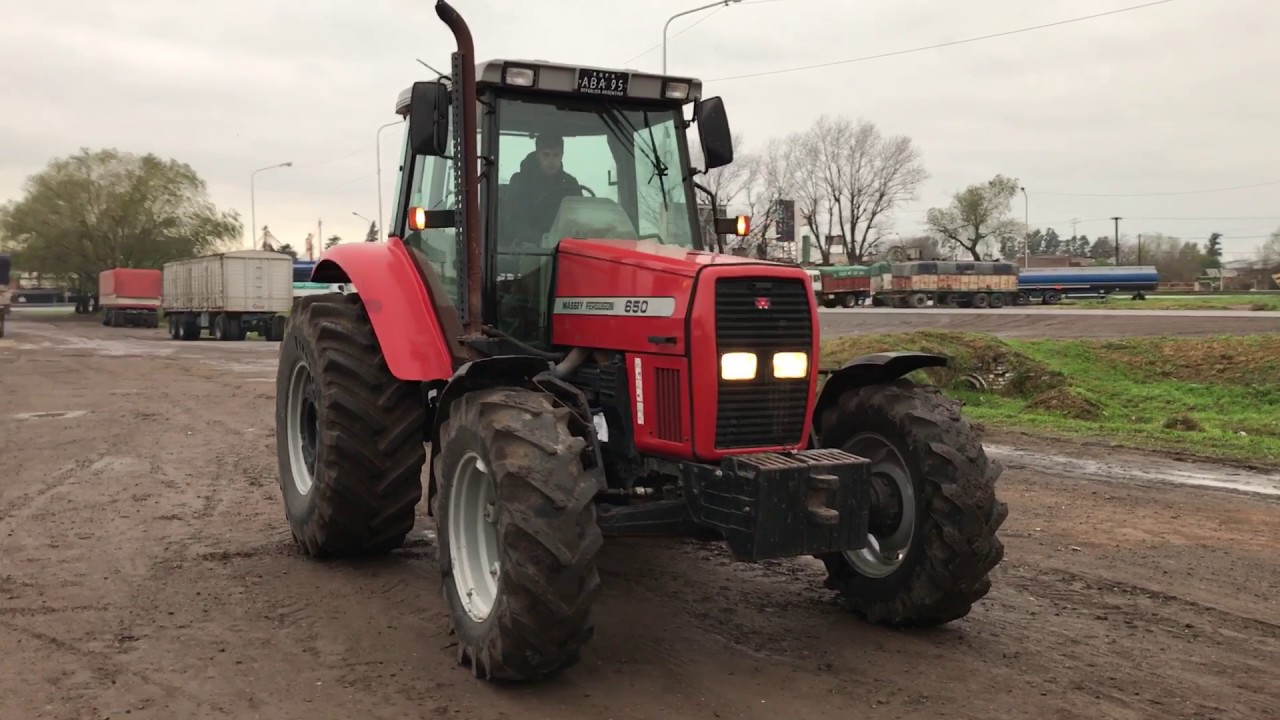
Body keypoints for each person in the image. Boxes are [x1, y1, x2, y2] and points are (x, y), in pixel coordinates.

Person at [504, 133, 585, 246]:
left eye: (556, 155)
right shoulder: (520, 182)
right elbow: (515, 223)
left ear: (562, 155)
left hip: (563, 245)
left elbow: (580, 219)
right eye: (546, 155)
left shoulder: (570, 184)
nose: (551, 161)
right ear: (537, 155)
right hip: (530, 246)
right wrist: (542, 239)